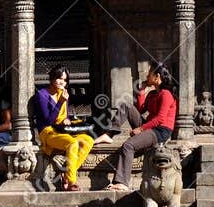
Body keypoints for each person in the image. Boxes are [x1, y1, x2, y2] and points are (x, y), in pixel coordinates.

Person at [110, 63, 178, 194]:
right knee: (126, 106)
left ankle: (122, 183)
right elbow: (141, 109)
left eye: (149, 73)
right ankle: (110, 133)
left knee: (128, 145)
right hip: (150, 126)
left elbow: (160, 119)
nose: (147, 76)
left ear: (157, 77)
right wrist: (141, 90)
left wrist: (141, 129)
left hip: (160, 131)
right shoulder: (153, 93)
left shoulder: (166, 94)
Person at [31, 65, 96, 191]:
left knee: (88, 141)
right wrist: (60, 102)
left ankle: (66, 175)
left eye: (65, 80)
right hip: (48, 132)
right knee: (72, 143)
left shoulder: (63, 93)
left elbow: (63, 115)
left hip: (61, 130)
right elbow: (48, 120)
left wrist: (66, 119)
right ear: (52, 78)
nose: (62, 82)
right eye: (60, 78)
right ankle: (72, 181)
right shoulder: (42, 95)